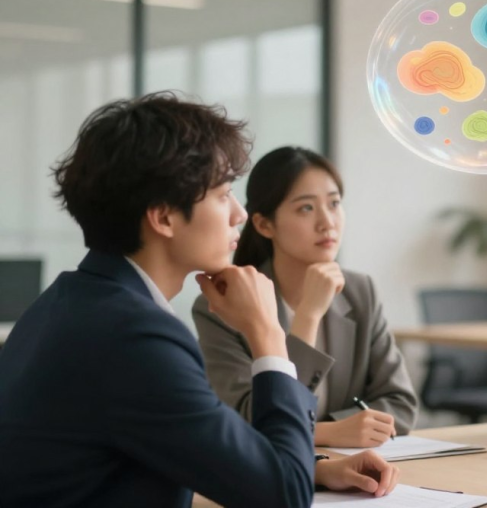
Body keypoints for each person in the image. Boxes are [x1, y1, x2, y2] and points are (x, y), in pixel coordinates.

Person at [0, 93, 398, 508]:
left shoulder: (70, 302)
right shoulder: (134, 337)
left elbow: (197, 446)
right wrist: (268, 335)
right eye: (223, 194)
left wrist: (313, 468)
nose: (239, 215)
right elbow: (283, 497)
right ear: (164, 217)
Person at [193, 146, 417, 448]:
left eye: (334, 203)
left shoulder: (360, 291)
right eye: (306, 208)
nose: (328, 222)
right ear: (264, 224)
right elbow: (244, 419)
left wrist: (332, 428)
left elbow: (400, 402)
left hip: (354, 470)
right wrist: (309, 315)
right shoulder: (222, 304)